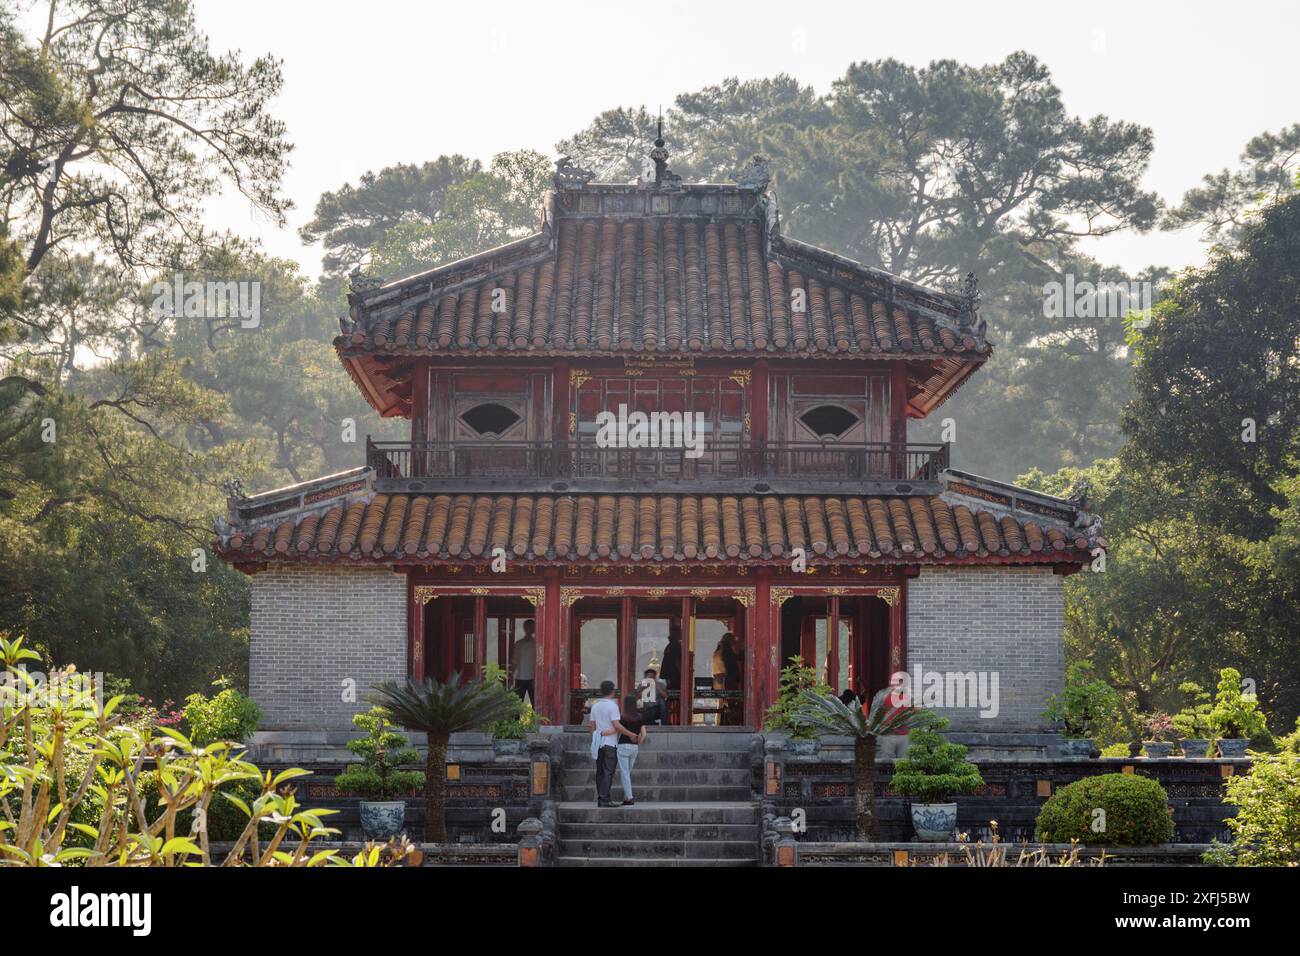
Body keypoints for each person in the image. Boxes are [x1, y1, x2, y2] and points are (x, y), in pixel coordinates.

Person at [588, 680, 621, 807]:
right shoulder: (613, 706)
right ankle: (604, 798)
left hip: (598, 742)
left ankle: (601, 798)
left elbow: (592, 727)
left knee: (600, 771)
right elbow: (616, 725)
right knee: (608, 771)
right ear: (612, 691)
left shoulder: (595, 706)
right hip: (610, 742)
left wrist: (596, 738)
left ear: (601, 691)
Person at [611, 694, 647, 806]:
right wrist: (637, 743)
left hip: (623, 746)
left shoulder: (622, 717)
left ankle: (630, 797)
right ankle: (626, 797)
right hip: (634, 748)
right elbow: (644, 734)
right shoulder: (640, 717)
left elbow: (617, 730)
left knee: (625, 773)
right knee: (627, 773)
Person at [509, 619, 536, 703]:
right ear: (525, 628)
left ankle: (536, 717)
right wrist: (511, 677)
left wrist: (537, 678)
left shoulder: (537, 643)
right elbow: (514, 662)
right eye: (529, 627)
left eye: (532, 627)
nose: (530, 629)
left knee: (535, 703)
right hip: (520, 677)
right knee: (517, 704)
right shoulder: (518, 644)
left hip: (533, 678)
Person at [660, 625, 683, 692]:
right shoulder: (675, 645)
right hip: (674, 677)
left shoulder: (669, 645)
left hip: (668, 677)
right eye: (680, 632)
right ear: (677, 633)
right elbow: (677, 661)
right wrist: (683, 674)